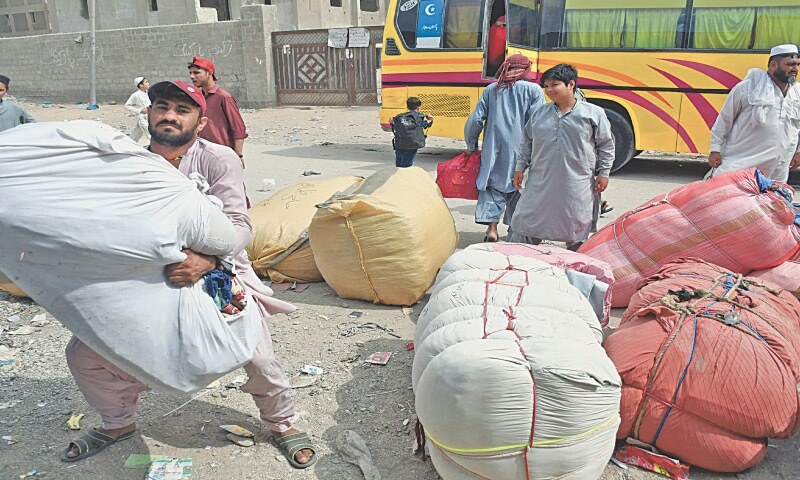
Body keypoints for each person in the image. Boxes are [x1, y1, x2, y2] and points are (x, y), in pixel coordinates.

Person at [61, 80, 318, 469]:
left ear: (200, 122)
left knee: (258, 356)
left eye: (182, 110)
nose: (169, 115)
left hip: (217, 273)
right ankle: (118, 422)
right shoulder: (127, 161)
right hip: (146, 277)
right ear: (148, 113)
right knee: (84, 355)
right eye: (162, 106)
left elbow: (239, 223)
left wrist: (207, 260)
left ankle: (282, 423)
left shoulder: (218, 159)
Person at [510, 64, 614, 251]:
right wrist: (519, 168)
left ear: (571, 84)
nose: (549, 90)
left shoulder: (593, 114)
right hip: (540, 181)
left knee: (575, 226)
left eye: (554, 85)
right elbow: (526, 143)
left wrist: (603, 173)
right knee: (526, 223)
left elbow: (606, 145)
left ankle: (575, 262)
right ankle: (520, 259)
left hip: (577, 183)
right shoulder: (539, 113)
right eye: (546, 86)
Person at [464, 53, 544, 242]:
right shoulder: (534, 90)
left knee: (492, 187)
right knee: (519, 189)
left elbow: (475, 120)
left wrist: (471, 145)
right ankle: (514, 230)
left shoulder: (492, 89)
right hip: (523, 150)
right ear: (526, 70)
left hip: (494, 150)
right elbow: (539, 121)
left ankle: (492, 229)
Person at [707, 44, 800, 182]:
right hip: (742, 162)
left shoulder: (797, 92)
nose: (795, 69)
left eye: (798, 64)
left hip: (778, 169)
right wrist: (715, 149)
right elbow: (725, 120)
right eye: (790, 64)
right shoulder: (747, 88)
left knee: (773, 195)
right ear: (773, 65)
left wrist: (798, 152)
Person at [188, 56, 248, 165]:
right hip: (202, 154)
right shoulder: (198, 98)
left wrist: (238, 155)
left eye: (196, 73)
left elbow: (238, 128)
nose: (192, 76)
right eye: (191, 73)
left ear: (209, 73)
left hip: (222, 155)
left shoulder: (223, 97)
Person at [391, 96, 433, 167]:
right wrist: (431, 119)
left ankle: (399, 173)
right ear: (418, 107)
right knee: (407, 166)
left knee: (399, 165)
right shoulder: (419, 117)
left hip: (400, 144)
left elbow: (393, 124)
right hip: (412, 144)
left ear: (407, 107)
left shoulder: (399, 117)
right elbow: (426, 124)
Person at [124, 76, 151, 142]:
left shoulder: (148, 93)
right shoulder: (135, 95)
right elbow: (127, 106)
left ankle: (129, 144)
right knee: (150, 134)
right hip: (142, 118)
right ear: (141, 85)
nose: (148, 83)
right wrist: (140, 110)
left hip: (149, 117)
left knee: (136, 133)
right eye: (146, 82)